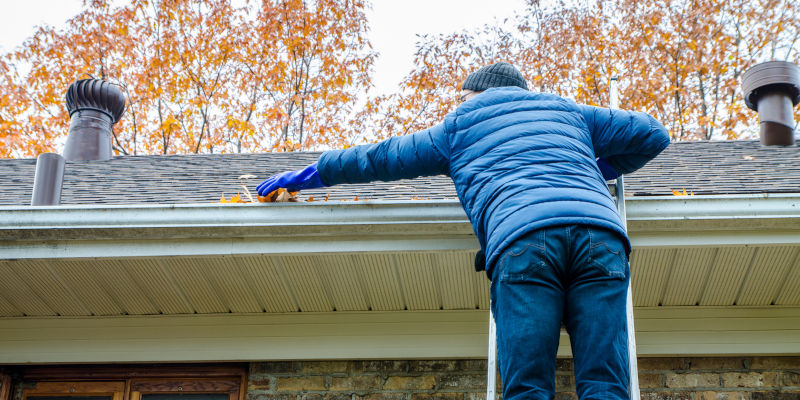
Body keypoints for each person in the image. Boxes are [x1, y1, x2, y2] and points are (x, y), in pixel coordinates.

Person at [257, 62, 670, 399]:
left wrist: (307, 175)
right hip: (600, 239)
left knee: (528, 387)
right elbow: (653, 135)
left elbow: (379, 157)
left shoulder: (460, 124)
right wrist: (600, 171)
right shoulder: (568, 111)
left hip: (524, 240)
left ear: (473, 96)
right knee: (606, 385)